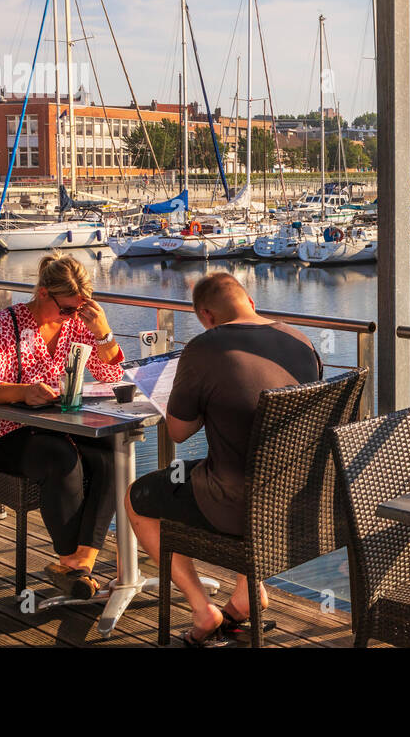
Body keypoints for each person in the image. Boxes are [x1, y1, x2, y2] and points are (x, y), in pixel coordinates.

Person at [125, 272, 321, 646]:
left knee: (138, 499)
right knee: (251, 464)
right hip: (300, 498)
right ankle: (248, 594)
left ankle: (203, 610)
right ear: (249, 301)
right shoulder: (299, 340)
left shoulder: (205, 347)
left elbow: (179, 433)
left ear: (207, 316)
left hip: (237, 505)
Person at [0, 253, 125, 599]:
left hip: (61, 425)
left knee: (113, 456)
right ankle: (69, 558)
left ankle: (78, 564)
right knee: (61, 459)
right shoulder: (6, 324)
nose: (72, 316)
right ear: (43, 294)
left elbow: (112, 376)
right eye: (67, 309)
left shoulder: (78, 325)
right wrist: (25, 392)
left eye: (78, 309)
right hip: (5, 432)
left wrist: (103, 332)